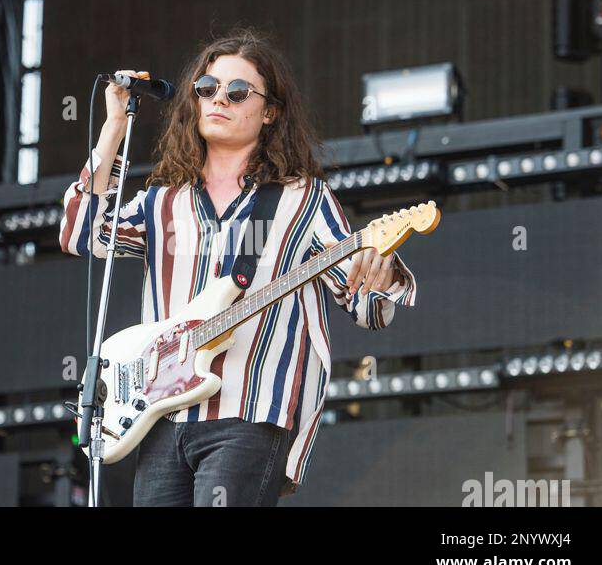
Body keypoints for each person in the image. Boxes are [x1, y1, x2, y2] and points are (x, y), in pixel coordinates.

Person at [60, 28, 417, 506]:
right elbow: (81, 232)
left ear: (269, 112)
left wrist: (383, 268)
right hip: (159, 416)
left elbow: (367, 306)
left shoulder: (302, 199)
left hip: (250, 411)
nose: (218, 100)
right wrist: (113, 128)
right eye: (207, 89)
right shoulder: (163, 203)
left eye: (237, 92)